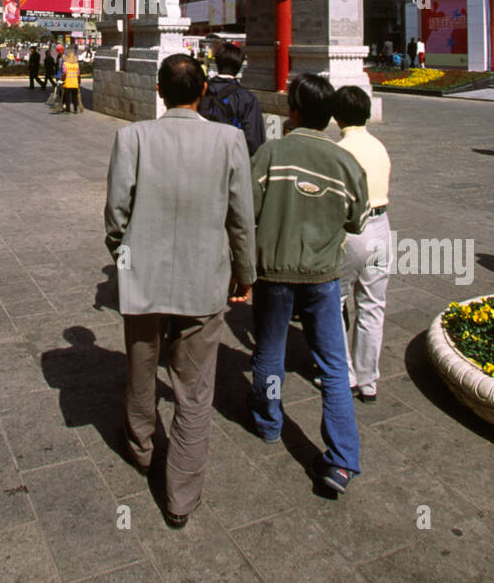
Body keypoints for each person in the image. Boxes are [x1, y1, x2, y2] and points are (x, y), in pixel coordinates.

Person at [105, 53, 255, 528]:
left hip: (143, 276)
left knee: (141, 368)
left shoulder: (132, 137)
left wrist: (125, 257)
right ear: (203, 89)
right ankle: (181, 496)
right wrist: (245, 272)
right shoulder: (230, 140)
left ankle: (142, 446)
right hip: (204, 277)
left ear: (158, 91)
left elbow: (115, 217)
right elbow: (240, 217)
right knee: (194, 389)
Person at [249, 73, 370, 496]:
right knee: (334, 367)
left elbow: (247, 210)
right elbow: (358, 219)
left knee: (269, 354)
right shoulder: (346, 162)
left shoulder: (271, 153)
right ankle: (341, 461)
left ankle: (268, 423)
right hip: (323, 277)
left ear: (293, 110)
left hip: (274, 273)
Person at [333, 86, 392, 404]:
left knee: (338, 302)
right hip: (381, 226)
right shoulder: (379, 146)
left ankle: (345, 374)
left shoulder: (339, 150)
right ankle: (368, 380)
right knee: (373, 305)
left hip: (351, 230)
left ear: (336, 115)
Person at [198, 43, 266, 156]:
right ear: (239, 66)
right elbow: (253, 141)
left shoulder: (201, 91)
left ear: (217, 62)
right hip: (232, 158)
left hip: (202, 156)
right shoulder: (246, 98)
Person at [61, 47, 82, 113]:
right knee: (75, 97)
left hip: (67, 83)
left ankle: (68, 110)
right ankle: (75, 110)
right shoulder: (76, 65)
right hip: (75, 83)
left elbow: (64, 73)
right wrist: (79, 82)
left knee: (67, 98)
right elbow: (78, 74)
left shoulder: (65, 64)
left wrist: (62, 79)